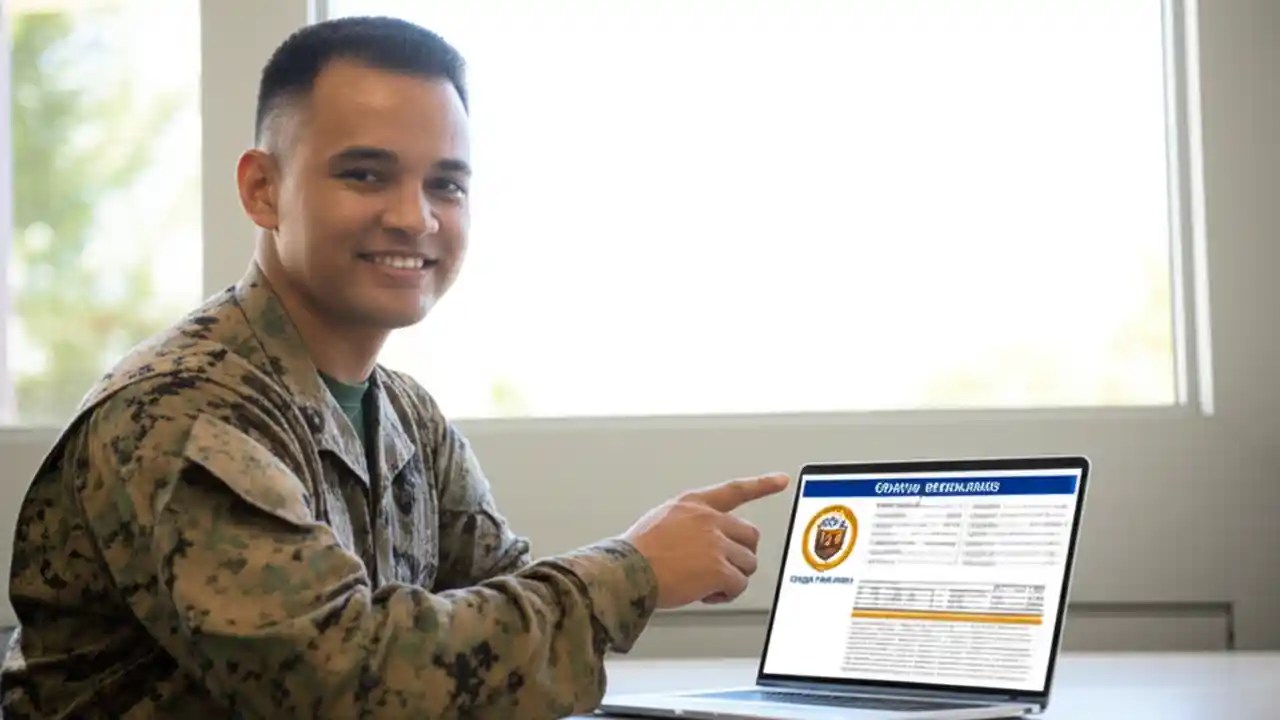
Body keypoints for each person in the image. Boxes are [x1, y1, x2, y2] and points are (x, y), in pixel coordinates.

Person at [0, 15, 789, 720]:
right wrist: (633, 571)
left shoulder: (405, 416)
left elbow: (500, 623)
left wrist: (652, 561)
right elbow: (343, 682)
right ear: (262, 189)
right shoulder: (184, 411)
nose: (415, 216)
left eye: (445, 183)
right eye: (366, 174)